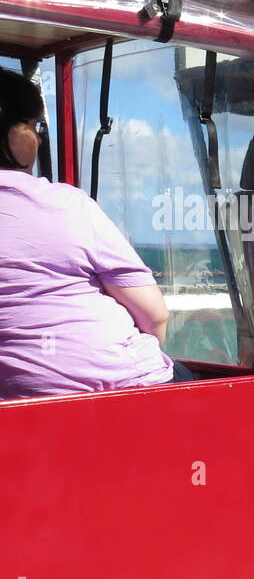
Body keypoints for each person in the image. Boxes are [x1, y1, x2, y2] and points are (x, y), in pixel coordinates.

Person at [0, 68, 188, 398]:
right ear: (10, 133)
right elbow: (154, 316)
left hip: (17, 403)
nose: (40, 139)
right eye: (34, 127)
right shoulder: (67, 205)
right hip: (123, 384)